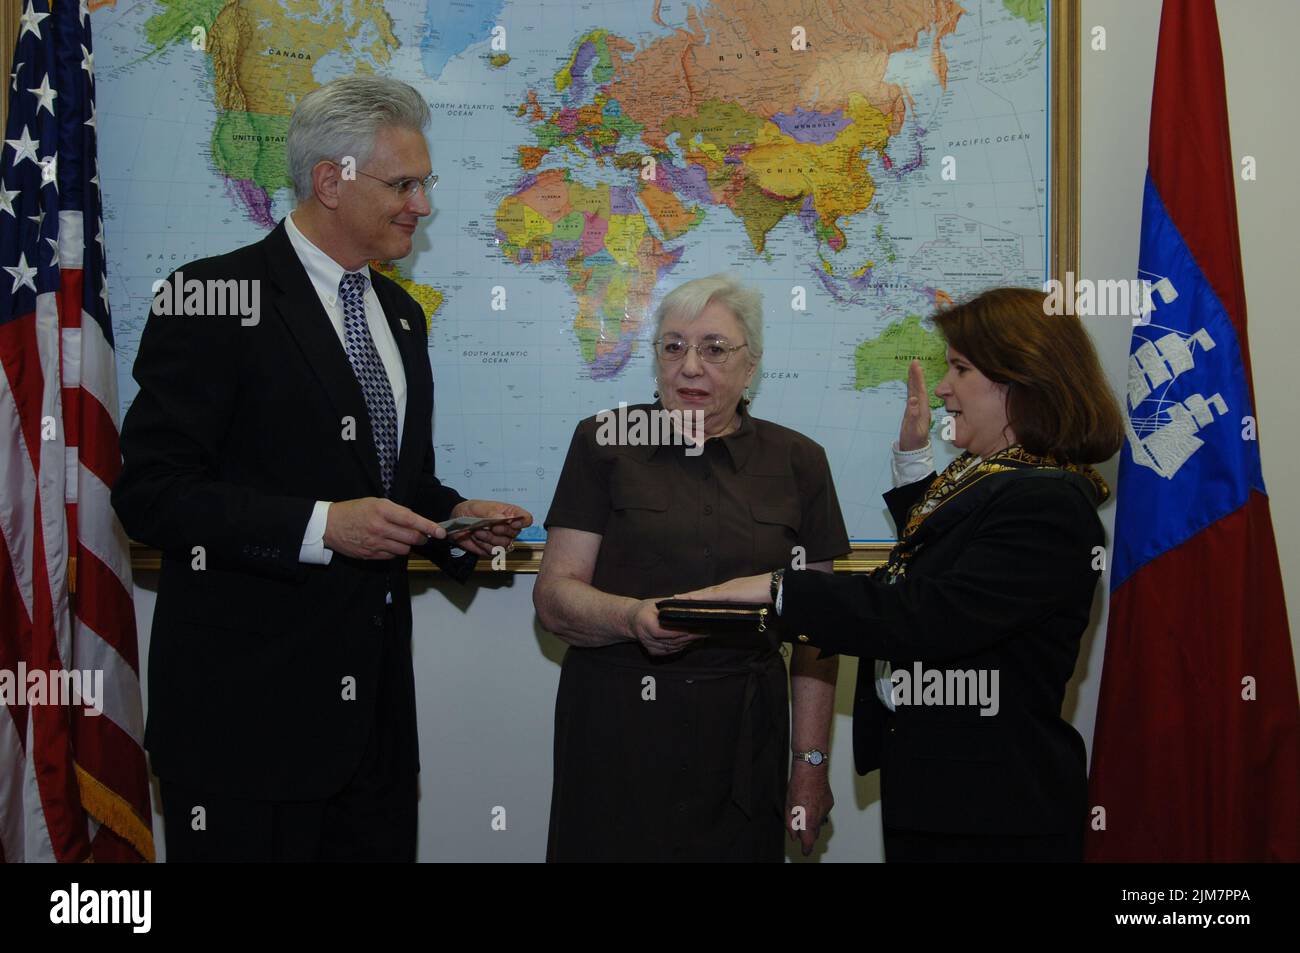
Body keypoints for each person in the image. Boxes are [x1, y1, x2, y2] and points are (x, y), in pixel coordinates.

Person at [112, 76, 531, 862]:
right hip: (243, 729)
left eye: (424, 183)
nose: (423, 204)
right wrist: (322, 527)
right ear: (330, 180)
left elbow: (391, 484)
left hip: (371, 734)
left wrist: (452, 521)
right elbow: (153, 494)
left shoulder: (402, 315)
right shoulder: (213, 295)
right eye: (404, 184)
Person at [680, 286, 1125, 862]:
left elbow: (929, 613)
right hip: (944, 791)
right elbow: (952, 548)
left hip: (994, 814)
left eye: (960, 369)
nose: (943, 388)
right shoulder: (1003, 478)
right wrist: (914, 460)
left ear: (1021, 380)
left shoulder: (1048, 504)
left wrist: (778, 589)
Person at [533, 274, 850, 862]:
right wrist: (632, 618)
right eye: (673, 346)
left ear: (751, 365)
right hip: (617, 725)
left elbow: (818, 633)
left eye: (714, 348)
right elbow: (554, 598)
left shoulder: (800, 461)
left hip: (744, 733)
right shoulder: (604, 441)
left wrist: (809, 765)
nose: (690, 367)